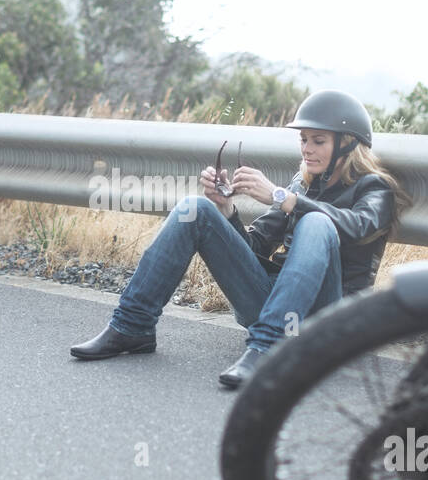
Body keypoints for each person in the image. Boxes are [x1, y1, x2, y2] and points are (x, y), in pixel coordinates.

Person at [69, 90, 404, 388]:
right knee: (194, 208)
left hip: (328, 322)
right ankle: (132, 326)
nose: (306, 150)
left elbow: (359, 226)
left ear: (347, 143)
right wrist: (227, 210)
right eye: (303, 139)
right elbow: (253, 249)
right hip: (272, 307)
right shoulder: (302, 185)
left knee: (316, 221)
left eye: (318, 141)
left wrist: (282, 198)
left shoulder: (373, 188)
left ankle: (267, 349)